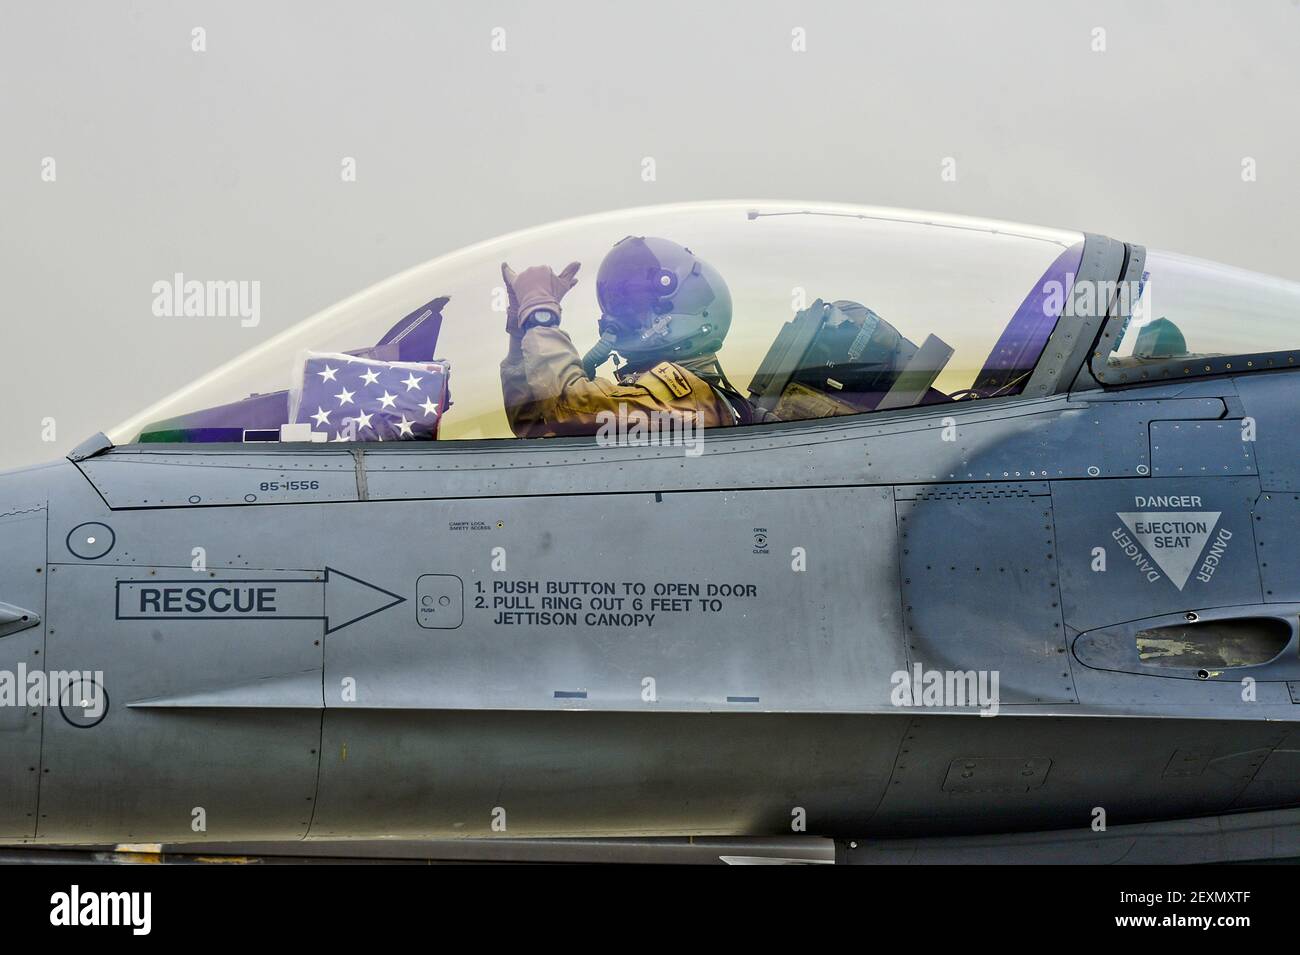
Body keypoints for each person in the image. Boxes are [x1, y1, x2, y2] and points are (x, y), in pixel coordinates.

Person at [499, 236, 756, 438]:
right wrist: (521, 333)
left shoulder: (686, 397)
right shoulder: (647, 397)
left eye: (634, 308)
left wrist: (540, 316)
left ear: (686, 306)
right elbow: (534, 425)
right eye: (619, 306)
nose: (619, 318)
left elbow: (565, 407)